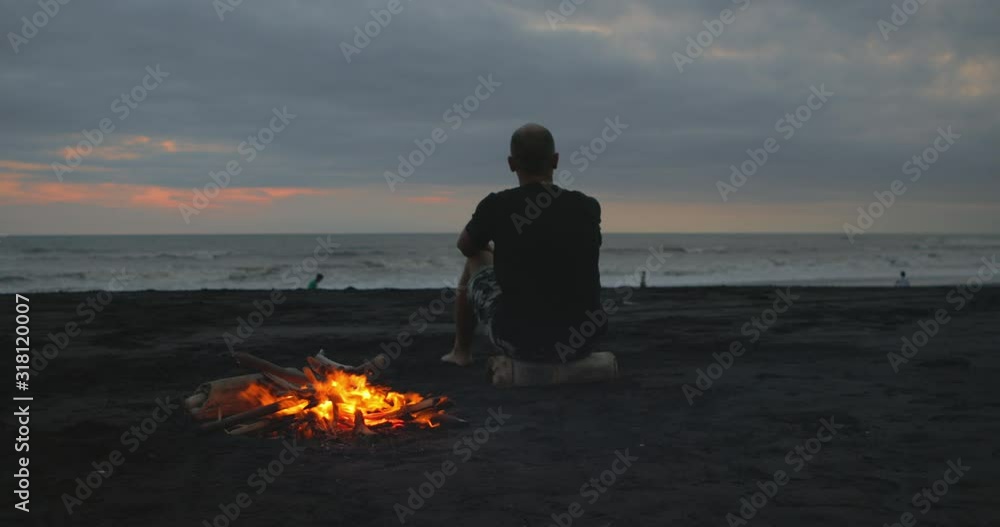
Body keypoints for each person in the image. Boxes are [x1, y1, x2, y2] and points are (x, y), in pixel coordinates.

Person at [441, 123, 604, 366]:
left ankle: (461, 352)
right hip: (585, 339)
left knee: (475, 256)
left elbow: (465, 246)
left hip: (521, 342)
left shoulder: (496, 205)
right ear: (556, 160)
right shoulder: (588, 206)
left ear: (511, 163)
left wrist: (491, 251)